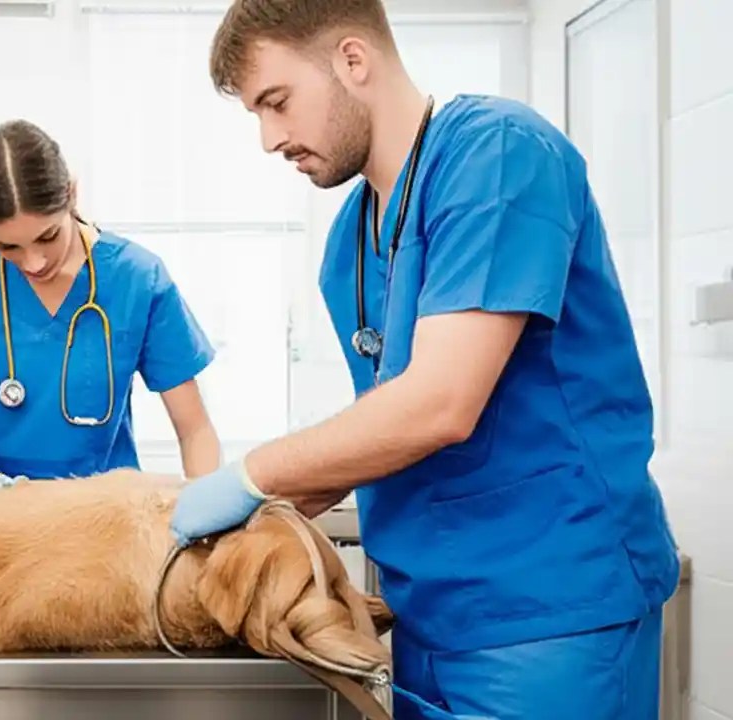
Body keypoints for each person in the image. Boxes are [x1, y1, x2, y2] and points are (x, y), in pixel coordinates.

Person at [167, 2, 680, 719]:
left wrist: (252, 475)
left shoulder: (499, 154)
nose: (269, 139)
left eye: (277, 103)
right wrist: (240, 513)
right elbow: (382, 432)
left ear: (353, 60)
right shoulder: (350, 238)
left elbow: (439, 404)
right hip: (427, 621)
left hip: (549, 615)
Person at [0, 119, 221, 489]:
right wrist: (11, 497)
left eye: (48, 236)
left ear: (71, 194)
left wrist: (205, 505)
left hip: (103, 517)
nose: (33, 262)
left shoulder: (136, 277)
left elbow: (195, 430)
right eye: (7, 247)